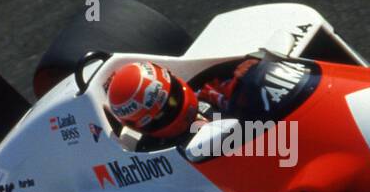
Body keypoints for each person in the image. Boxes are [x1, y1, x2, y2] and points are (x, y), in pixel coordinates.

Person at [104, 58, 259, 140]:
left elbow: (239, 82)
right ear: (140, 126)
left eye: (173, 100)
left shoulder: (208, 92)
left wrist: (252, 74)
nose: (176, 110)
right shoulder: (153, 153)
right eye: (162, 116)